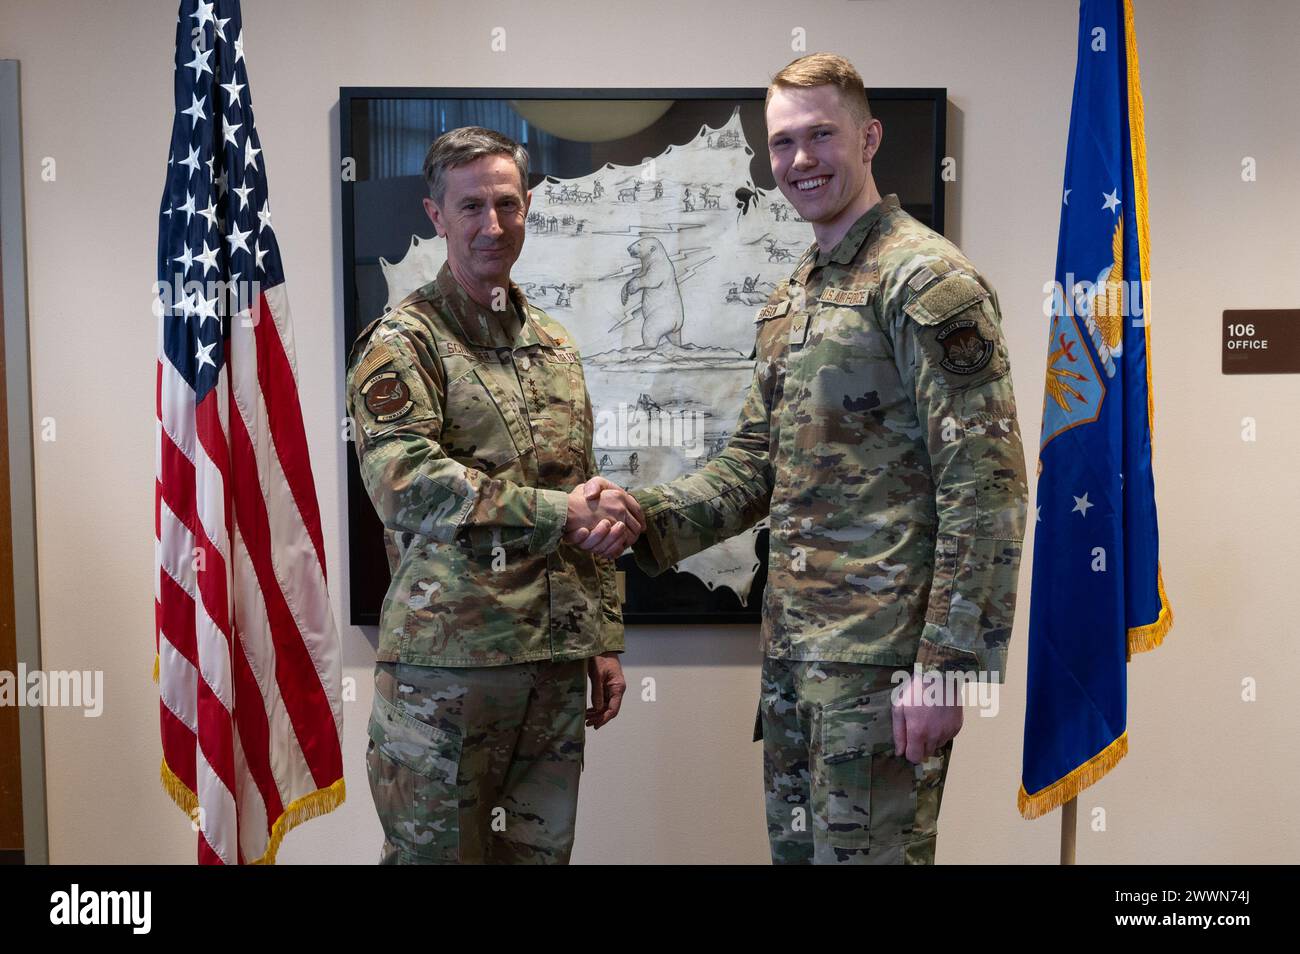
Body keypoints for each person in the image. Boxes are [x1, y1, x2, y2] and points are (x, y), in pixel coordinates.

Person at [570, 54, 1028, 864]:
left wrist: (949, 669)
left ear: (869, 136)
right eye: (784, 143)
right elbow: (756, 462)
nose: (801, 160)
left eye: (821, 135)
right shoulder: (798, 294)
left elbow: (986, 487)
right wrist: (645, 514)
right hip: (795, 660)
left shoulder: (926, 282)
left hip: (883, 667)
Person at [346, 126, 644, 864]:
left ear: (528, 206)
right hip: (448, 676)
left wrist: (602, 636)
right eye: (471, 205)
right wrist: (556, 513)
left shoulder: (554, 342)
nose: (493, 225)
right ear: (435, 214)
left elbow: (584, 488)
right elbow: (404, 481)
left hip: (552, 669)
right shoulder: (402, 340)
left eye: (507, 203)